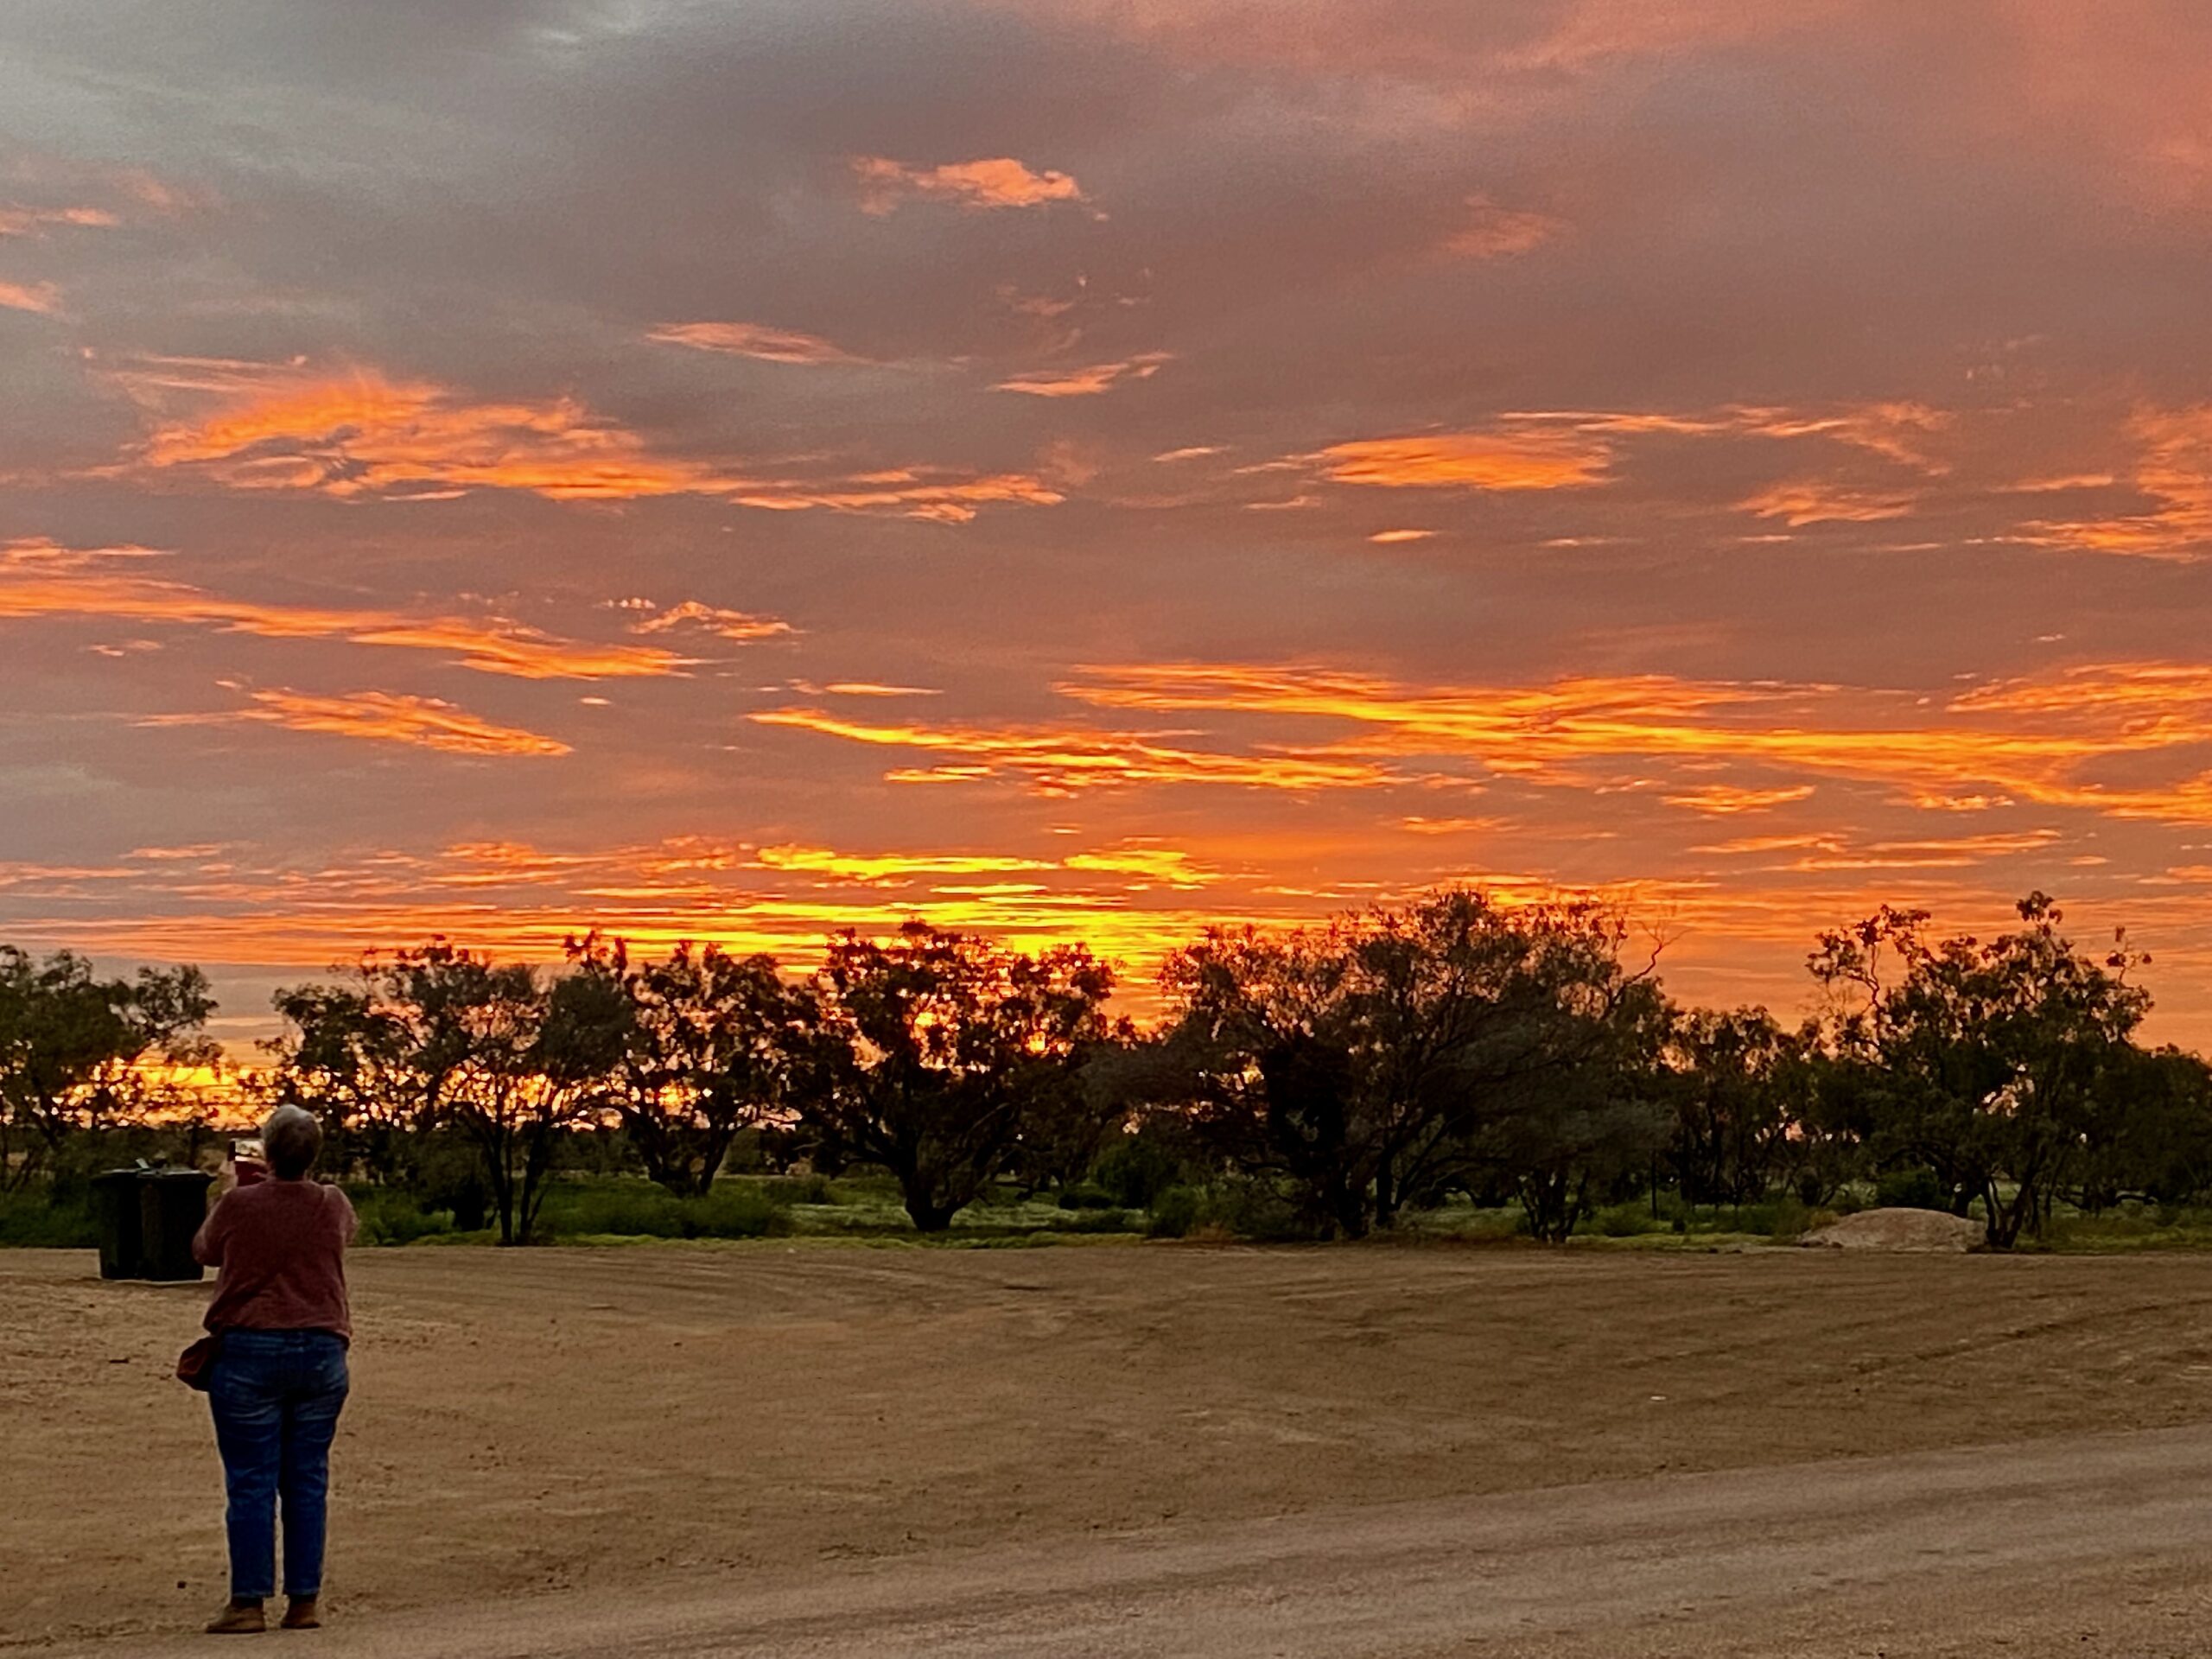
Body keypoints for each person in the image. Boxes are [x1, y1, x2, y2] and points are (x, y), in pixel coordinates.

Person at [192, 1104, 357, 1635]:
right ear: (314, 1154)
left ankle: (248, 1602)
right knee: (307, 1478)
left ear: (265, 1151)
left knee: (251, 1480)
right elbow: (342, 1238)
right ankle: (304, 1600)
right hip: (322, 1351)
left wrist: (229, 1193)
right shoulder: (332, 1203)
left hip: (251, 1351)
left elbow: (203, 1250)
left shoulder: (238, 1205)